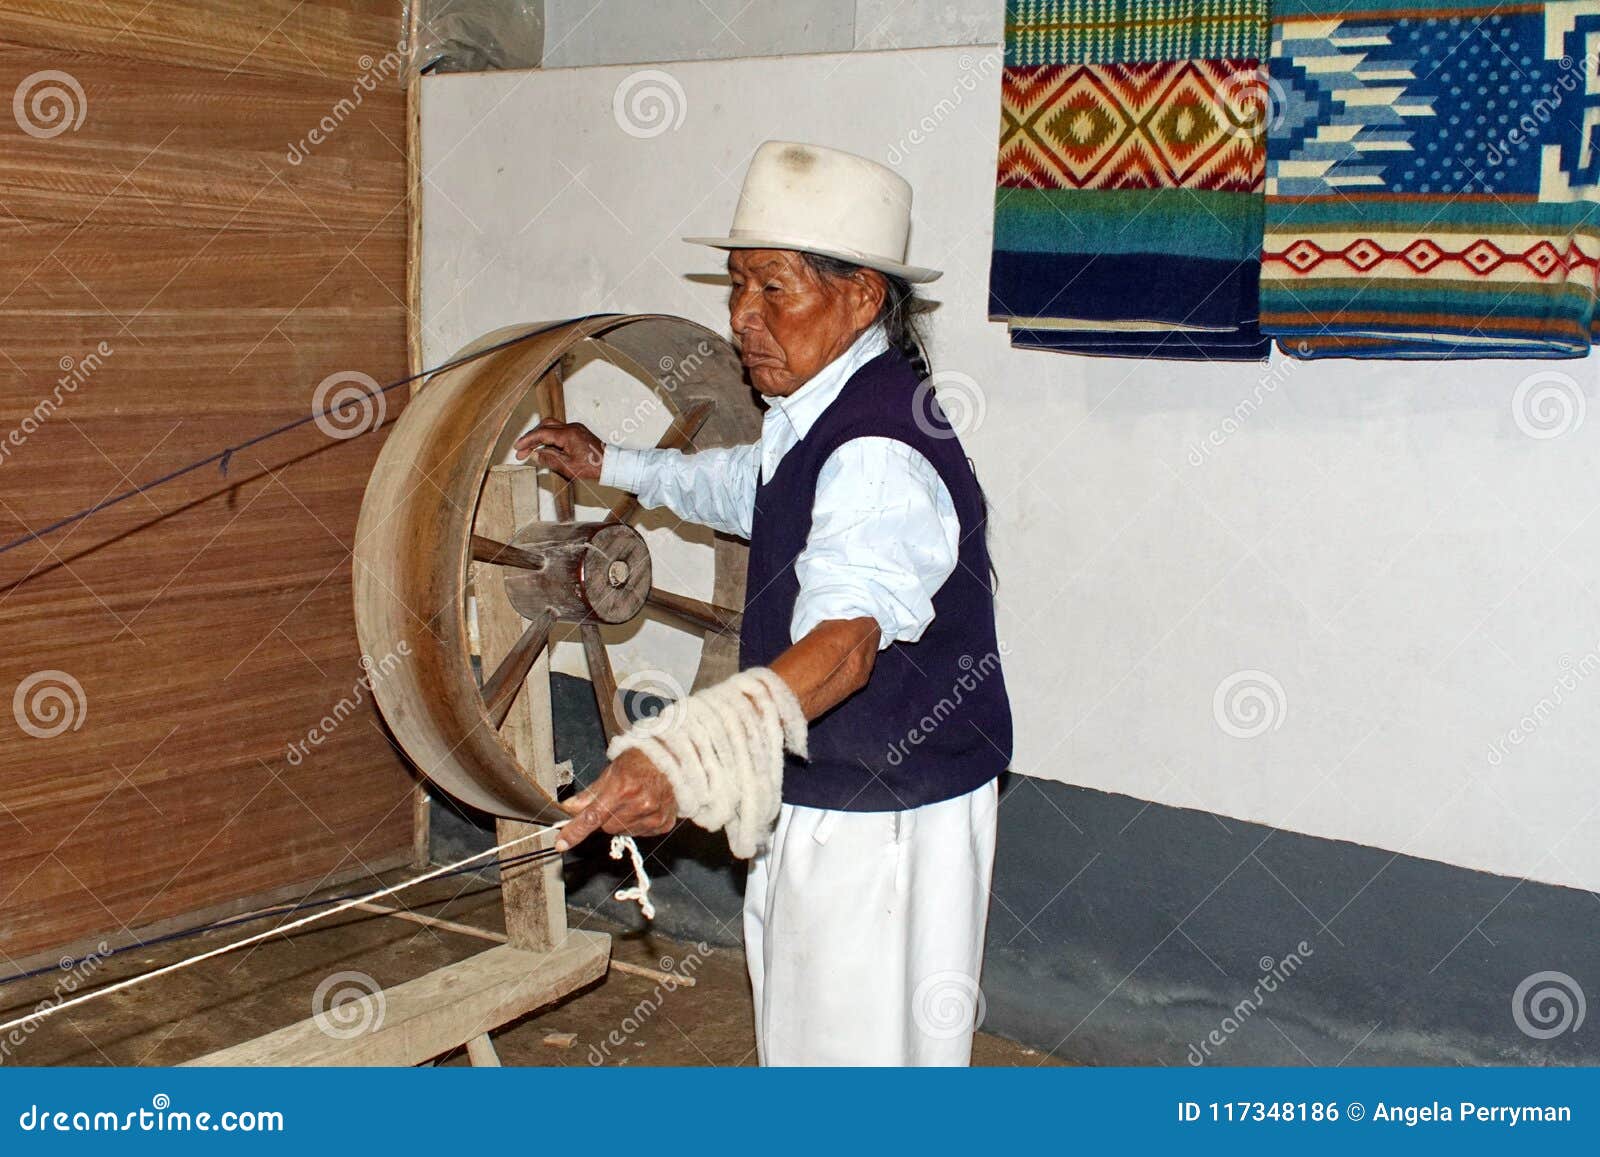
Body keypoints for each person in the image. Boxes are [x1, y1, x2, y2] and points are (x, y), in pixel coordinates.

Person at [516, 141, 1012, 1065]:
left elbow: (847, 645)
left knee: (845, 1050)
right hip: (846, 784)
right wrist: (612, 464)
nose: (743, 317)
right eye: (736, 286)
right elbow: (749, 484)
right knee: (838, 1041)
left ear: (862, 295)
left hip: (880, 815)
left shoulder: (874, 451)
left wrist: (688, 754)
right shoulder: (830, 411)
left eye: (773, 289)